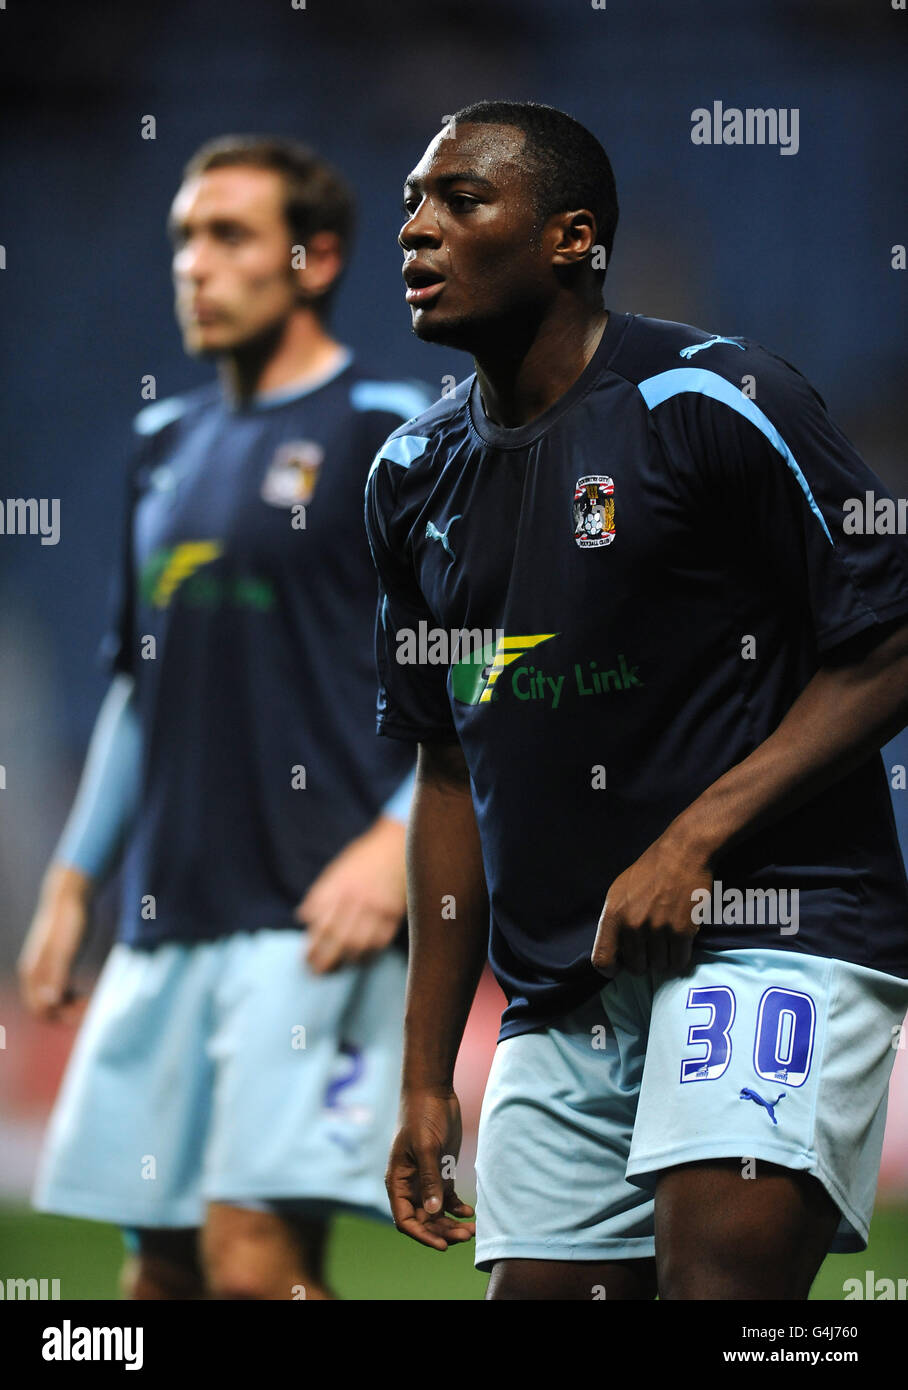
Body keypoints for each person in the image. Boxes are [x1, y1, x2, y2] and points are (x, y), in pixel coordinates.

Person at [364, 99, 908, 1300]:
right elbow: (447, 767)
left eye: (459, 200)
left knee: (716, 1291)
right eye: (411, 202)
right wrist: (421, 1072)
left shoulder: (713, 402)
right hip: (563, 987)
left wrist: (694, 839)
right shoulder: (409, 481)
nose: (414, 229)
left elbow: (889, 638)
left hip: (775, 931)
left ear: (570, 238)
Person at [19, 135, 430, 1300]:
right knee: (156, 1273)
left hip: (315, 906)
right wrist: (71, 881)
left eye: (229, 235)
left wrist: (397, 841)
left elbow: (475, 662)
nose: (194, 265)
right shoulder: (162, 445)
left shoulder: (391, 430)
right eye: (183, 239)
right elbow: (135, 686)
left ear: (315, 259)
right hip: (166, 913)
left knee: (255, 1261)